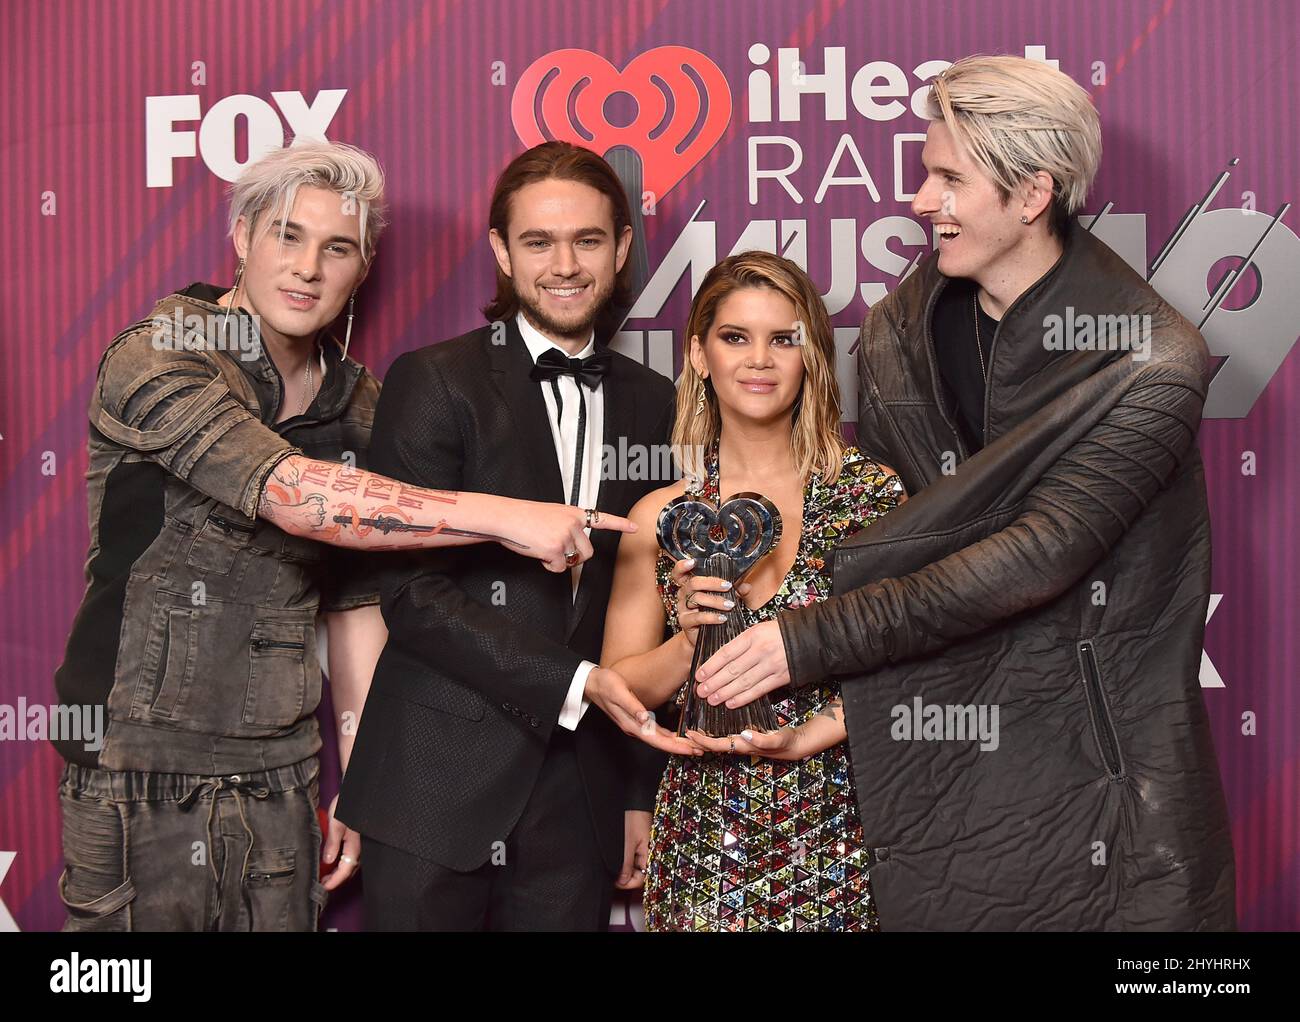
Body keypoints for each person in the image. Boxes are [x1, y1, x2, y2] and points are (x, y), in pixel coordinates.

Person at [692, 56, 1237, 931]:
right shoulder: (897, 334)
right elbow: (893, 536)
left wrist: (809, 641)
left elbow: (1036, 555)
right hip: (949, 772)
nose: (920, 199)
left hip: (1107, 780)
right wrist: (820, 705)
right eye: (923, 173)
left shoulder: (1151, 363)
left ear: (1031, 195)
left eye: (949, 178)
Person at [53, 140, 634, 932]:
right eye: (288, 236)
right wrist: (504, 515)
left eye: (339, 248)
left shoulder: (360, 401)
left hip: (279, 769)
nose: (307, 269)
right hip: (138, 762)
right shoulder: (163, 351)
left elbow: (358, 604)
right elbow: (298, 496)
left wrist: (360, 779)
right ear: (243, 238)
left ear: (362, 268)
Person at [335, 141, 691, 931]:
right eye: (538, 242)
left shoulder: (656, 402)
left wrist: (636, 791)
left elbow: (647, 604)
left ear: (622, 247)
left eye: (588, 240)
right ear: (501, 251)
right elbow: (414, 597)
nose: (564, 264)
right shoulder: (433, 380)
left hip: (580, 796)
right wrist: (576, 683)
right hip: (432, 785)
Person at [601, 251, 906, 931]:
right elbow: (621, 689)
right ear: (700, 356)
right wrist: (687, 641)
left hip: (845, 822)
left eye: (784, 339)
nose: (759, 359)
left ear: (813, 358)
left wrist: (814, 734)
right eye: (735, 337)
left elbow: (920, 672)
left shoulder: (872, 497)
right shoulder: (660, 517)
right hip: (707, 834)